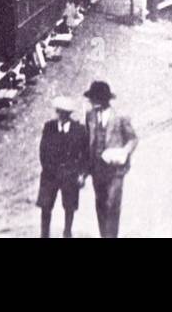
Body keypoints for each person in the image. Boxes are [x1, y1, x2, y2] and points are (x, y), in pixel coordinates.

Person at [84, 81, 137, 239]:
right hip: (97, 169)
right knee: (100, 205)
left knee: (112, 205)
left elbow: (132, 139)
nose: (92, 102)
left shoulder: (120, 117)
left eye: (95, 99)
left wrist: (123, 153)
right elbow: (88, 142)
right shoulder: (90, 116)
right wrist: (85, 170)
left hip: (115, 170)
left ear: (104, 100)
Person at [37, 96, 89, 238]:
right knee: (45, 206)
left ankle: (67, 232)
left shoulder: (79, 130)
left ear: (69, 114)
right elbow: (43, 151)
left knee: (69, 207)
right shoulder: (49, 127)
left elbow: (85, 155)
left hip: (70, 174)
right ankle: (44, 234)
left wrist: (82, 174)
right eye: (58, 111)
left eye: (64, 112)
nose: (60, 115)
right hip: (50, 173)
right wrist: (49, 168)